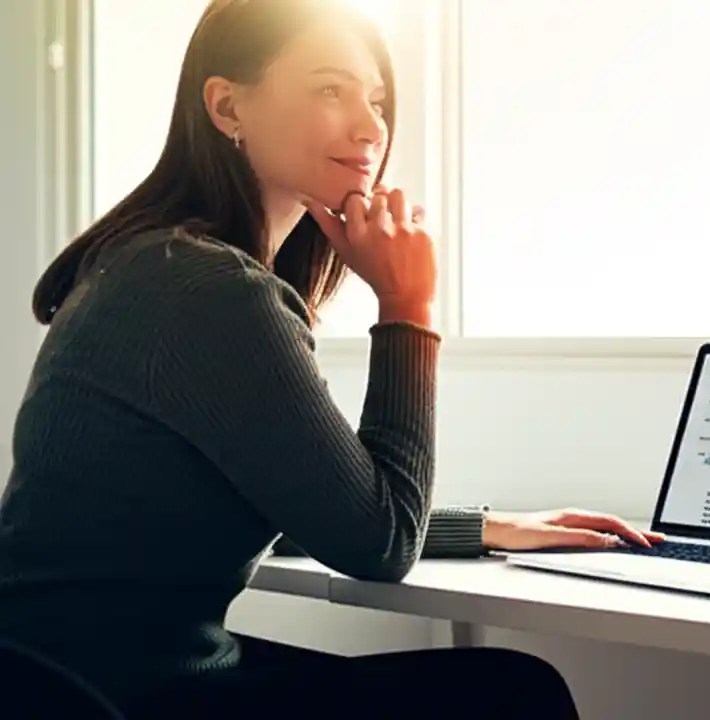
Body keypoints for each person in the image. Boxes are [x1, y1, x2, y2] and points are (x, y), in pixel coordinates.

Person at [0, 0, 663, 717]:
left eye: (375, 99)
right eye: (329, 89)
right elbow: (377, 543)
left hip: (67, 678)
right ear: (227, 106)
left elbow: (280, 499)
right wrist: (408, 306)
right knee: (513, 693)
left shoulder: (157, 263)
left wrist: (483, 528)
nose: (370, 126)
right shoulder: (211, 290)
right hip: (118, 696)